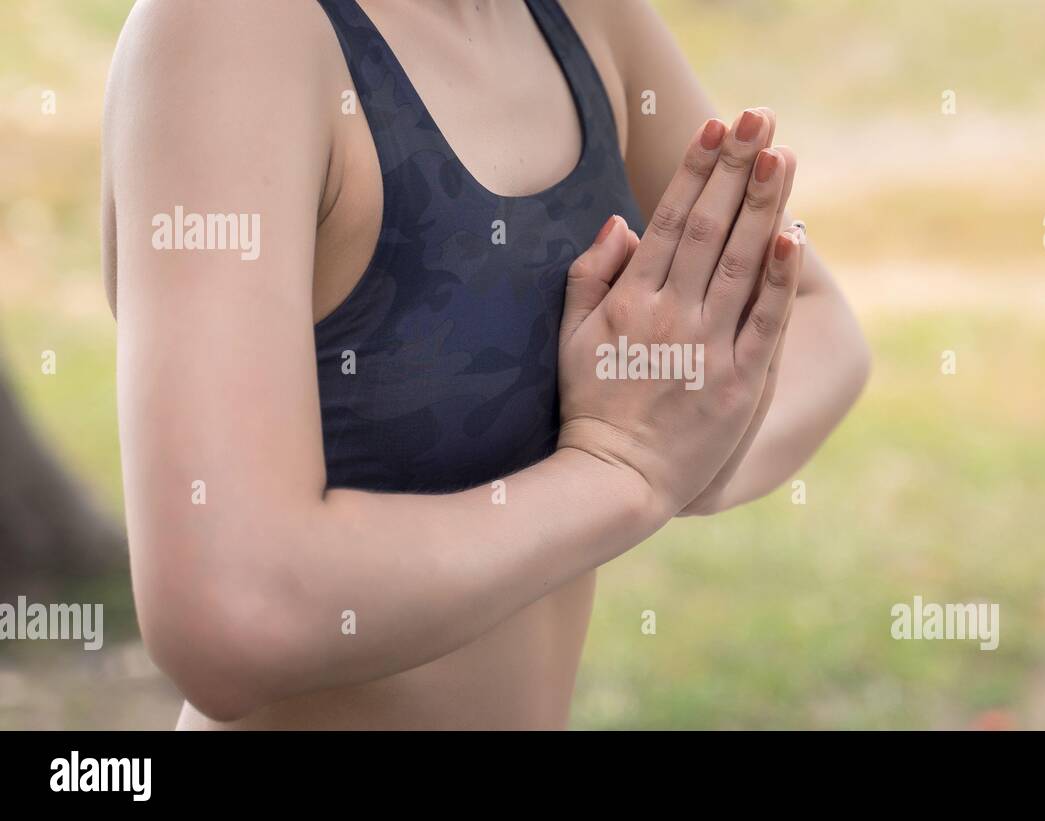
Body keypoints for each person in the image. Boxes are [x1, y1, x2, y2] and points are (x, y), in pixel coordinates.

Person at [101, 0, 869, 729]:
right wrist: (624, 471)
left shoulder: (577, 17)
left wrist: (700, 443)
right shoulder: (231, 33)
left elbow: (819, 326)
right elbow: (232, 609)